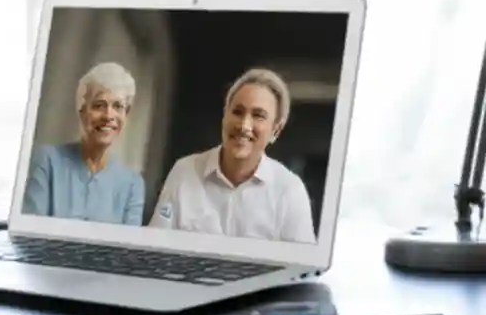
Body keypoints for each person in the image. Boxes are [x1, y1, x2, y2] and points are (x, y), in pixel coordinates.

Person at [149, 68, 315, 244]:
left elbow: (300, 268)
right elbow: (155, 246)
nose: (244, 125)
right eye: (237, 112)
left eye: (258, 116)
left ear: (276, 130)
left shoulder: (289, 190)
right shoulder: (184, 171)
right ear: (224, 115)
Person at [22, 62, 146, 225]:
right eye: (99, 105)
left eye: (118, 106)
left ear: (126, 114)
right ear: (81, 110)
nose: (109, 115)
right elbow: (31, 233)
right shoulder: (46, 161)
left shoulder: (132, 185)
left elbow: (127, 247)